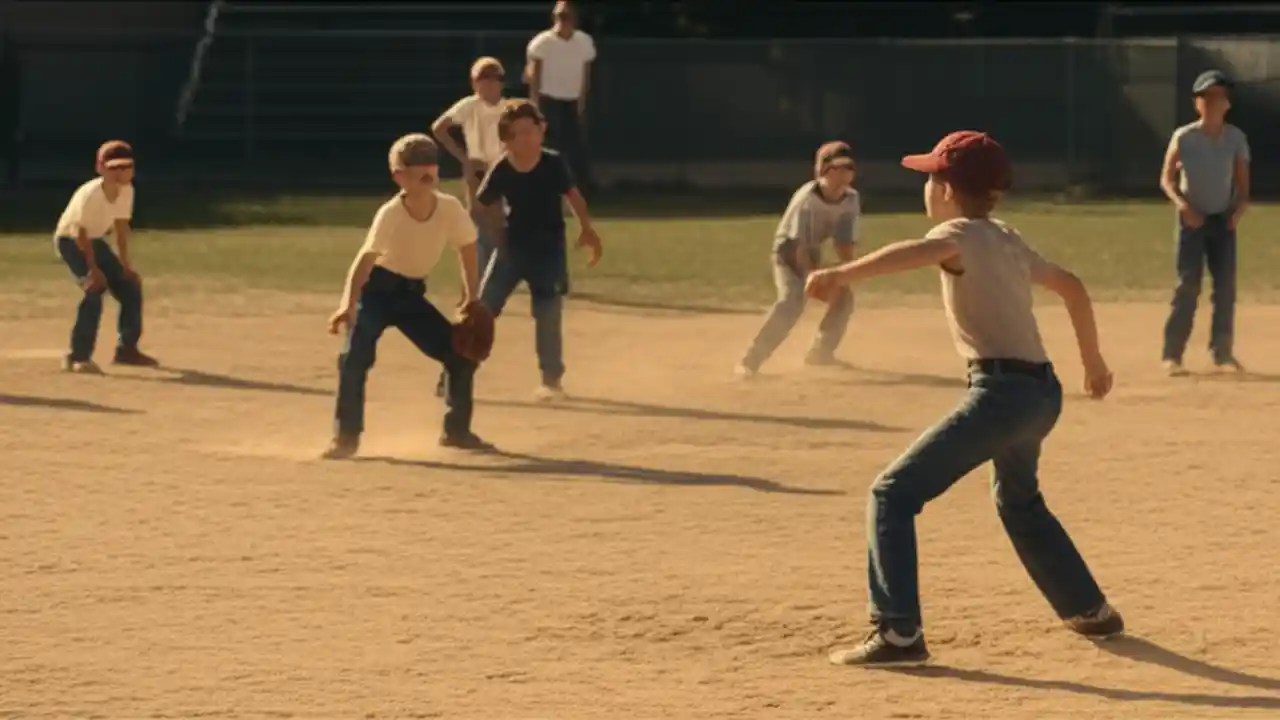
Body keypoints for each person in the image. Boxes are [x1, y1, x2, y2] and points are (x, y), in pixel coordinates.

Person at [806, 131, 1124, 667]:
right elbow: (1072, 286)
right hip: (1042, 394)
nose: (927, 187)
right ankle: (1090, 610)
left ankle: (898, 633)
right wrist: (1093, 363)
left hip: (1000, 394)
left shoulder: (957, 233)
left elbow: (913, 253)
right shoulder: (1006, 236)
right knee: (1019, 501)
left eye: (931, 176)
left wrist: (841, 273)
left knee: (892, 494)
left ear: (948, 189)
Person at [324, 133, 491, 460]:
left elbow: (468, 248)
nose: (426, 168)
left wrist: (472, 296)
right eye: (415, 164)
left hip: (411, 295)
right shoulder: (391, 213)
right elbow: (366, 258)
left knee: (460, 355)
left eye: (430, 161)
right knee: (354, 360)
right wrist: (348, 303)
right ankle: (345, 437)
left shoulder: (448, 207)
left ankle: (456, 431)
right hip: (376, 293)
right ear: (399, 175)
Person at [472, 100, 602, 401]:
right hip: (511, 250)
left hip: (549, 251)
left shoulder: (553, 162)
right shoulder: (502, 167)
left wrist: (587, 228)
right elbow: (483, 202)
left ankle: (551, 380)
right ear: (507, 141)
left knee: (548, 313)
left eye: (532, 130)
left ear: (541, 131)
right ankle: (458, 370)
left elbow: (573, 195)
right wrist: (498, 230)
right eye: (518, 133)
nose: (527, 138)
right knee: (483, 309)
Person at [736, 141, 860, 378]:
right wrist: (812, 279)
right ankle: (750, 361)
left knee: (844, 297)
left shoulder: (851, 199)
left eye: (848, 168)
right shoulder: (807, 198)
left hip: (810, 253)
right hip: (787, 254)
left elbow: (844, 242)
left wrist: (848, 273)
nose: (844, 174)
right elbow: (798, 247)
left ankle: (821, 353)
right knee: (792, 300)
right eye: (837, 168)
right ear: (823, 170)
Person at [1159, 69, 1251, 376]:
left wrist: (1237, 212)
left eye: (1219, 97)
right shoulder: (1184, 137)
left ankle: (1222, 352)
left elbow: (1242, 184)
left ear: (1227, 104)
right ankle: (1172, 355)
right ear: (1197, 103)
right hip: (1192, 220)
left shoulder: (1235, 139)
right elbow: (1167, 179)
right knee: (1188, 285)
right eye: (1207, 97)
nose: (1214, 103)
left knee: (1225, 288)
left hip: (1222, 221)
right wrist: (1184, 207)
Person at [53, 140, 158, 374]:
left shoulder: (127, 190)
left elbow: (121, 229)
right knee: (95, 288)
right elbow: (80, 234)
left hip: (95, 240)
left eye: (126, 167)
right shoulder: (91, 193)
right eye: (114, 168)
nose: (120, 173)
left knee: (130, 286)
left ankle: (127, 349)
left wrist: (125, 266)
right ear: (100, 168)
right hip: (70, 240)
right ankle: (78, 357)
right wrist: (92, 269)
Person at [432, 56, 509, 276]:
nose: (489, 84)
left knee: (499, 221)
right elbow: (439, 128)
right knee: (477, 221)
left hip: (502, 167)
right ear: (475, 83)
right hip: (477, 169)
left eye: (495, 79)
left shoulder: (508, 108)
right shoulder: (469, 106)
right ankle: (479, 274)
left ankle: (500, 269)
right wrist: (464, 158)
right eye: (483, 79)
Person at [527, 0, 596, 194]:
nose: (562, 21)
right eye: (559, 16)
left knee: (574, 149)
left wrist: (581, 103)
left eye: (566, 16)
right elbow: (535, 76)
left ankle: (575, 192)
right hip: (549, 101)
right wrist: (535, 106)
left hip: (572, 102)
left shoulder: (584, 42)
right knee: (548, 148)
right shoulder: (542, 42)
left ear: (574, 18)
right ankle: (543, 190)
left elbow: (585, 75)